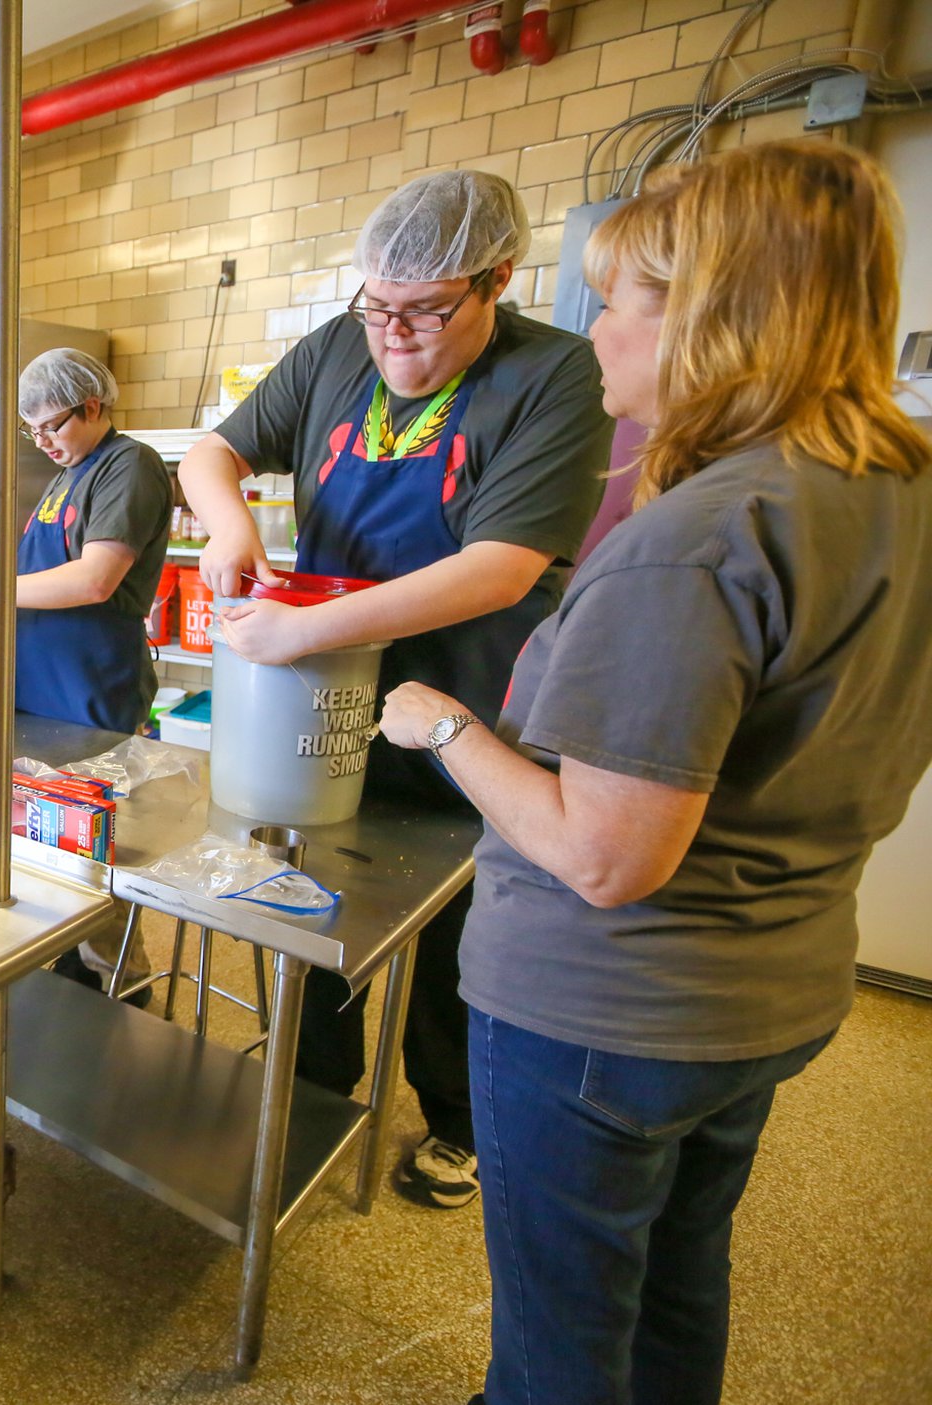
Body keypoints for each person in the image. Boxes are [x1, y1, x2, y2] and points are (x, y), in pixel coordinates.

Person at [378, 140, 932, 1405]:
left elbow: (603, 853)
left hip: (605, 1018)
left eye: (616, 300)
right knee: (676, 1281)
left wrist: (445, 725)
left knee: (557, 1348)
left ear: (705, 315)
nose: (596, 336)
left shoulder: (696, 537)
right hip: (767, 987)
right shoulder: (885, 488)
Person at [177, 170, 611, 1210]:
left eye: (423, 311)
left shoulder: (554, 377)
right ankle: (317, 1090)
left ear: (497, 280)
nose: (392, 336)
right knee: (310, 899)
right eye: (377, 307)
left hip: (469, 710)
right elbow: (209, 449)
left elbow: (499, 567)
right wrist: (227, 518)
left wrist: (299, 630)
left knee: (457, 933)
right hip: (325, 703)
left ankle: (457, 1121)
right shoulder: (335, 348)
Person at [0, 348, 172, 736]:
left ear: (91, 406)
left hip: (89, 687)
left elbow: (94, 579)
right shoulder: (67, 474)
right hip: (36, 687)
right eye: (31, 429)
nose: (40, 441)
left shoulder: (128, 464)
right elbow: (29, 569)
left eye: (51, 426)